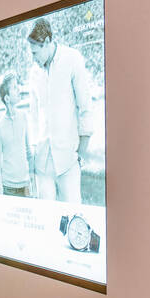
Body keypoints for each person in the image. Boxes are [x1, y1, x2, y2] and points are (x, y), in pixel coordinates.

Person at [25, 18, 95, 204]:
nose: (33, 58)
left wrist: (82, 150)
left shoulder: (72, 59)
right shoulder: (34, 73)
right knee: (45, 220)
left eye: (35, 52)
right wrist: (33, 151)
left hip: (68, 159)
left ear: (47, 42)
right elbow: (33, 116)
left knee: (73, 217)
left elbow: (85, 106)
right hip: (42, 161)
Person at [0, 73, 33, 197]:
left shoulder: (24, 117)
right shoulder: (0, 127)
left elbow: (29, 153)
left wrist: (33, 184)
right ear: (7, 98)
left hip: (25, 186)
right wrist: (0, 193)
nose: (18, 89)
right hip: (7, 188)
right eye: (15, 87)